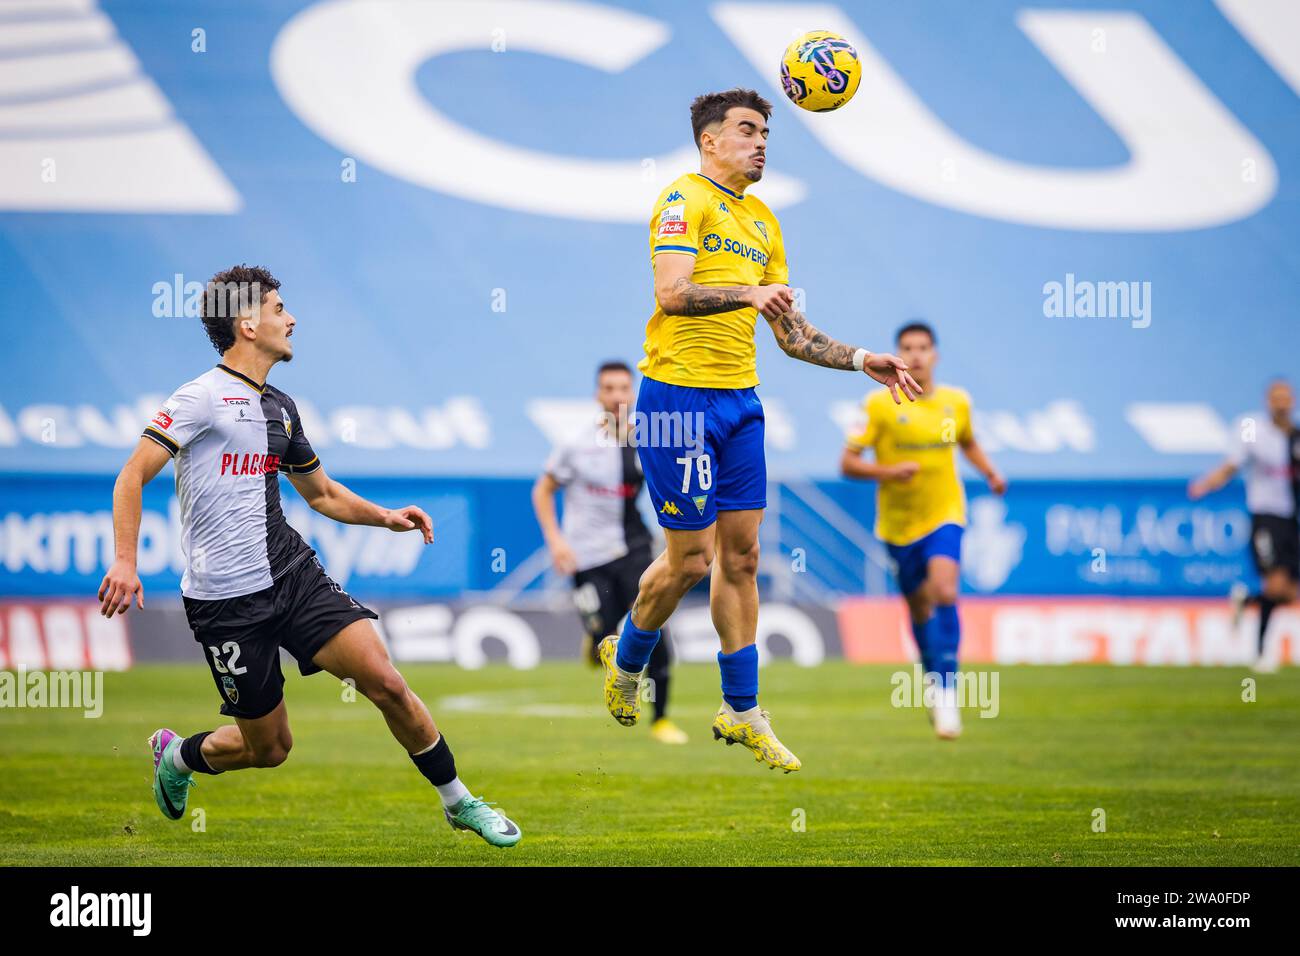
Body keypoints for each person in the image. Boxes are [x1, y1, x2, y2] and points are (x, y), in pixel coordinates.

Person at [97, 265, 521, 847]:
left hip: (291, 574)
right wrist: (125, 560)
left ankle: (459, 802)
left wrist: (387, 517)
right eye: (277, 309)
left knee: (386, 682)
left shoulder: (281, 407)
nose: (290, 318)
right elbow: (131, 475)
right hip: (225, 603)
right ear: (247, 324)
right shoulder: (199, 398)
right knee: (269, 749)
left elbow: (321, 494)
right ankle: (180, 756)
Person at [599, 89, 920, 773]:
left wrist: (865, 360)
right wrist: (746, 293)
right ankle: (628, 653)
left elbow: (792, 334)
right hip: (678, 401)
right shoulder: (684, 201)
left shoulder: (765, 223)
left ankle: (741, 710)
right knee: (692, 560)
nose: (761, 142)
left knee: (741, 557)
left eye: (766, 132)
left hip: (740, 403)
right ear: (709, 140)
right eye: (747, 130)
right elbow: (671, 295)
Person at [841, 321, 1006, 739]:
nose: (915, 355)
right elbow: (848, 463)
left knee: (945, 591)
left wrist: (989, 472)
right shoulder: (879, 406)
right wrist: (888, 471)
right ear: (898, 354)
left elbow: (966, 441)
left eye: (923, 348)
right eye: (907, 348)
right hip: (898, 525)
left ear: (935, 355)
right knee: (918, 608)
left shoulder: (956, 403)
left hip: (944, 513)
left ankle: (948, 692)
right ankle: (934, 680)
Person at [531, 360, 688, 744]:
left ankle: (661, 719)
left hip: (634, 548)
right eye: (609, 389)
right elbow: (543, 490)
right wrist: (555, 540)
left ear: (632, 393)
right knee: (604, 635)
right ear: (597, 395)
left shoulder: (649, 441)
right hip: (586, 556)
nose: (617, 396)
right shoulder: (576, 443)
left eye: (623, 388)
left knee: (654, 628)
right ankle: (596, 633)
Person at [1190, 378, 1298, 671]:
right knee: (1276, 586)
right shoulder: (1252, 430)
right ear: (1268, 401)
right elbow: (1232, 464)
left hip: (1292, 521)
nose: (1282, 402)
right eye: (1277, 397)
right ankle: (1261, 653)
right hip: (1266, 518)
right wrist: (1207, 484)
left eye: (1286, 397)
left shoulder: (1295, 437)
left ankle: (1247, 601)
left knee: (1289, 592)